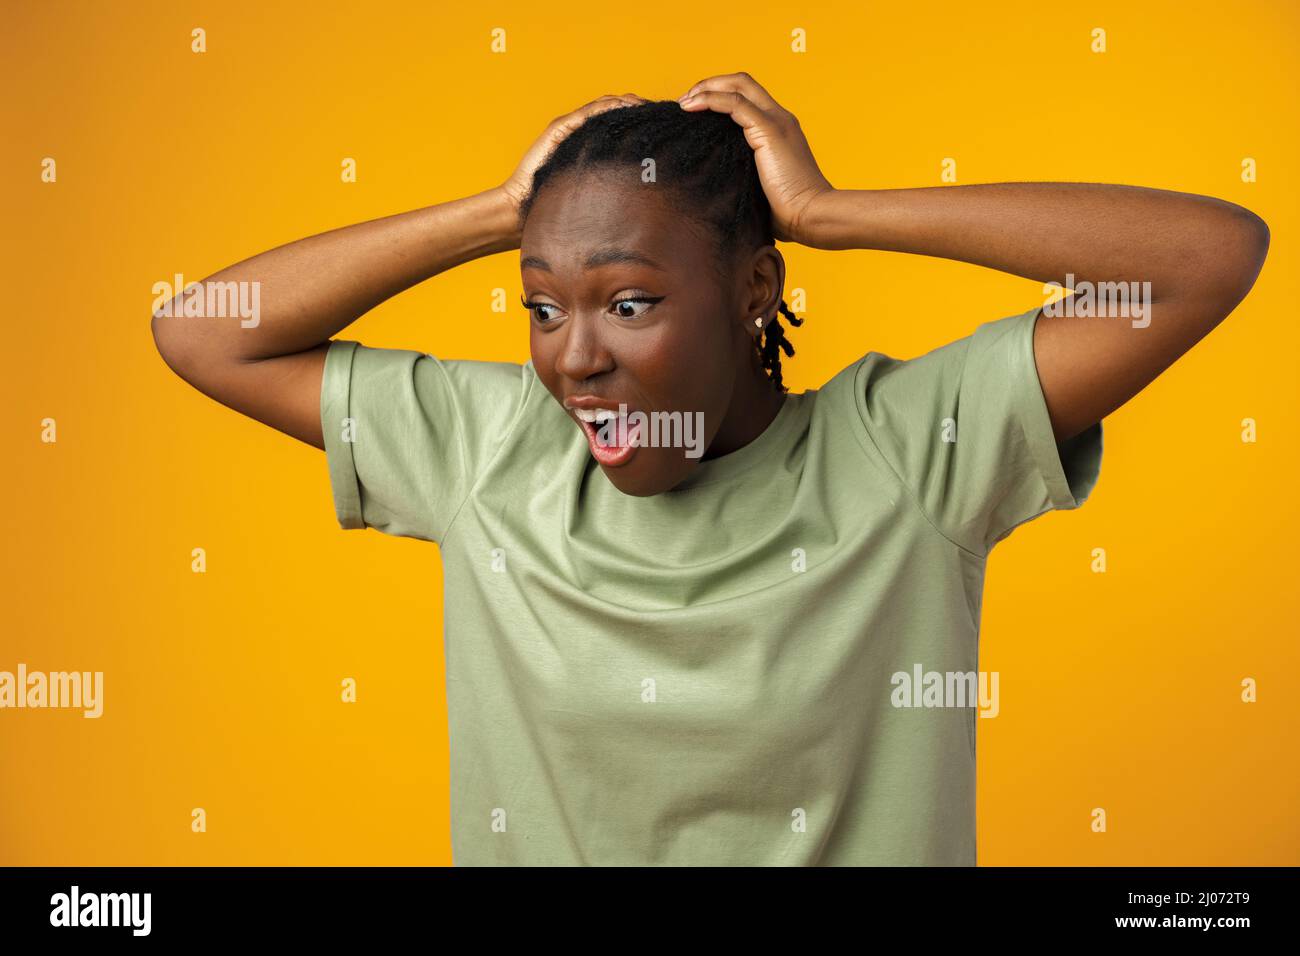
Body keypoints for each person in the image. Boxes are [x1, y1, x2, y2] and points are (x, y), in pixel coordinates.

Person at [151, 73, 1269, 865]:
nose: (575, 356)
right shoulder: (485, 451)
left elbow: (1205, 259)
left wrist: (838, 214)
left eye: (629, 301)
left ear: (754, 289)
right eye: (541, 305)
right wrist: (502, 211)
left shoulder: (909, 450)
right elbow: (204, 329)